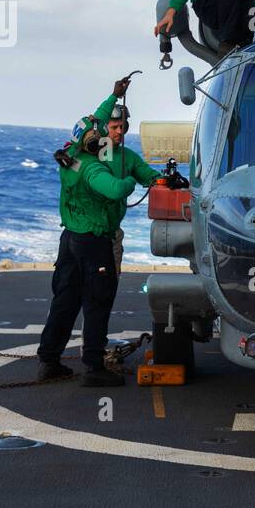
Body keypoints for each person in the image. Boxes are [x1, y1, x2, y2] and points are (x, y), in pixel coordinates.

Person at [36, 76, 161, 387]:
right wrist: (130, 181)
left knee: (65, 299)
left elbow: (96, 120)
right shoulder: (92, 167)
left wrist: (114, 95)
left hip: (70, 239)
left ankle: (49, 360)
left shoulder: (71, 157)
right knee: (97, 300)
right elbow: (116, 189)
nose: (107, 133)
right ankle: (94, 367)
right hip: (94, 241)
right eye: (104, 131)